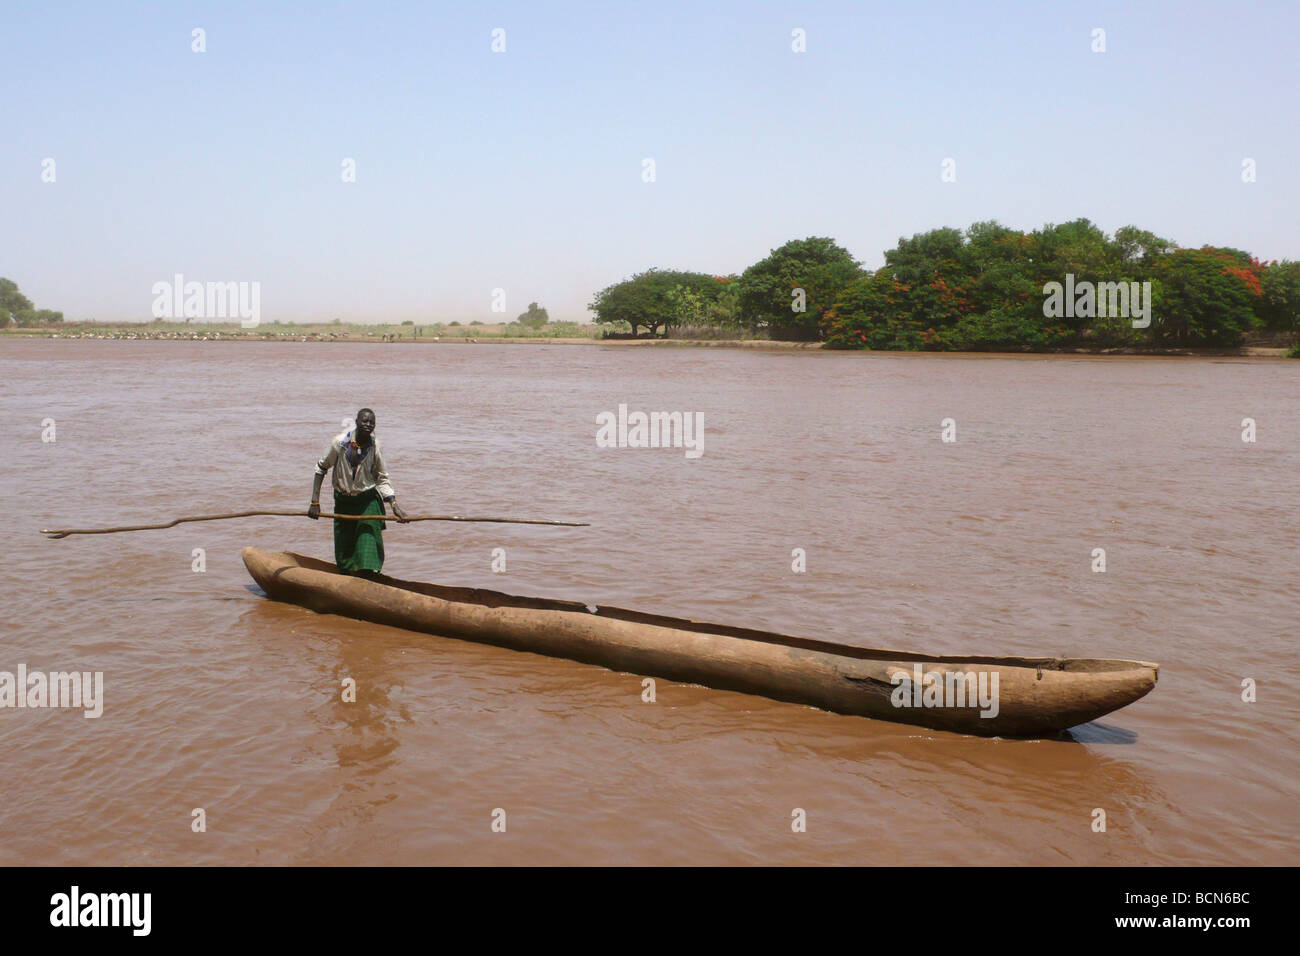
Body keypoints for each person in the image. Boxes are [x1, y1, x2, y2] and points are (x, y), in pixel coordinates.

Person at [308, 408, 408, 577]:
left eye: (372, 422)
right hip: (343, 502)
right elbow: (321, 469)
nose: (369, 425)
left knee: (367, 545)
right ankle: (349, 581)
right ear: (356, 422)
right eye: (365, 421)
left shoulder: (375, 446)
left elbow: (382, 477)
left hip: (366, 501)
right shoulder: (339, 443)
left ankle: (368, 579)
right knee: (345, 554)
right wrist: (315, 503)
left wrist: (394, 504)